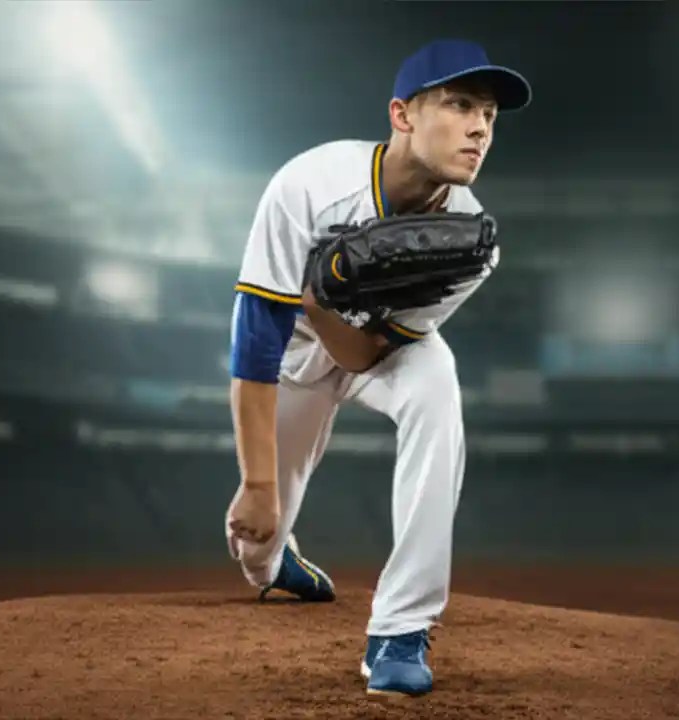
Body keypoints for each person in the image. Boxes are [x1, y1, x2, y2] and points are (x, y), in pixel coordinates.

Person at [223, 38, 532, 698]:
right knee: (257, 535)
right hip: (291, 358)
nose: (480, 126)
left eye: (490, 115)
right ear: (402, 115)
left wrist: (322, 295)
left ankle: (401, 628)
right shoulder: (309, 184)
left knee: (437, 385)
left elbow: (367, 353)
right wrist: (256, 482)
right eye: (459, 104)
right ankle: (276, 566)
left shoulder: (473, 238)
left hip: (372, 351)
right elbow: (255, 344)